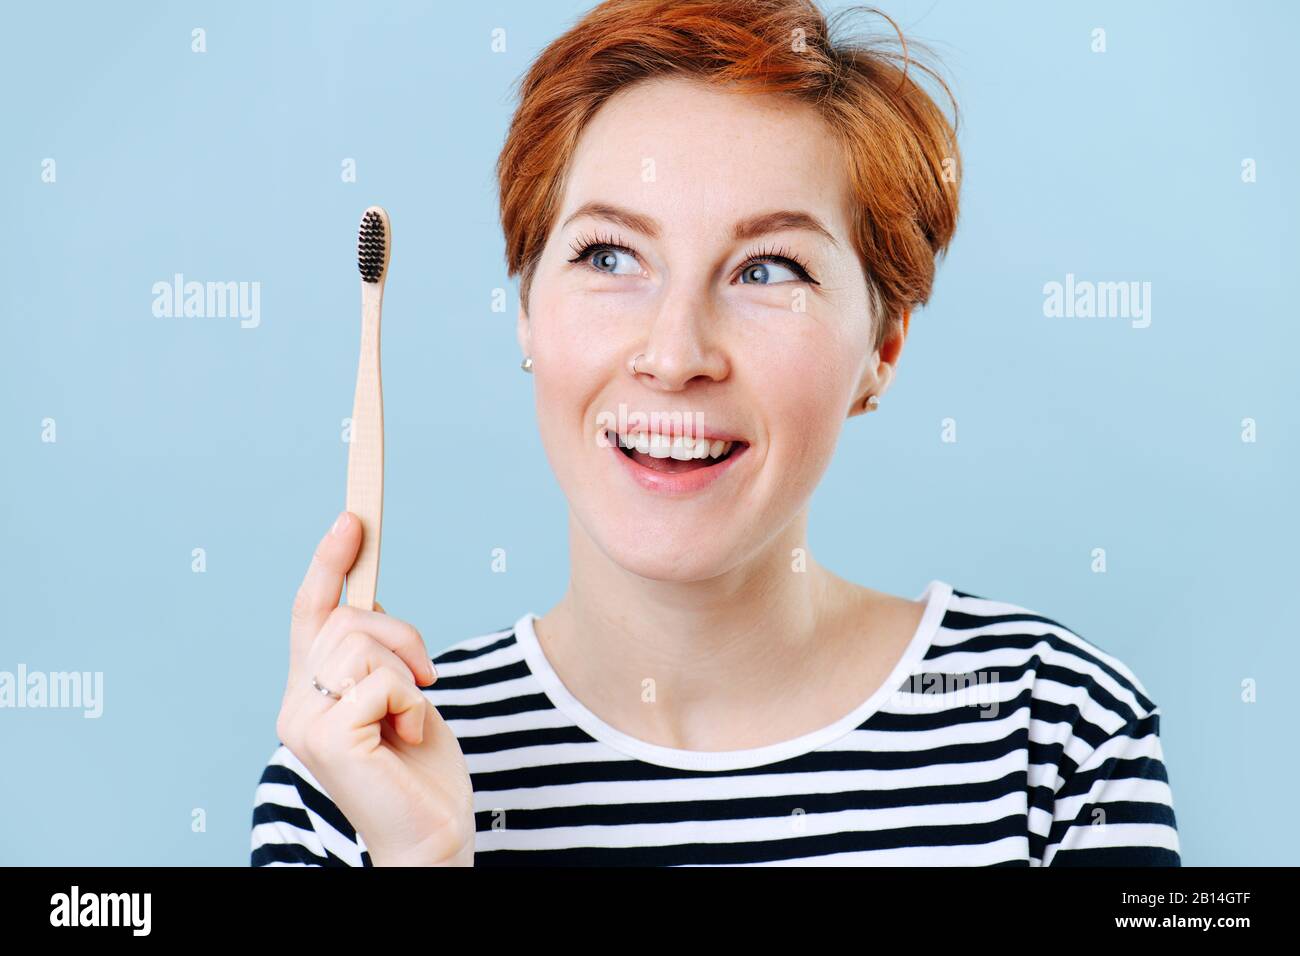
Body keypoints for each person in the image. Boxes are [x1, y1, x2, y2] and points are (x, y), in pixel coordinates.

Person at [251, 0, 1179, 866]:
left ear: (882, 348)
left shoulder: (1054, 731)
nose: (676, 351)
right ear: (528, 314)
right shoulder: (349, 772)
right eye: (610, 256)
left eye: (768, 269)